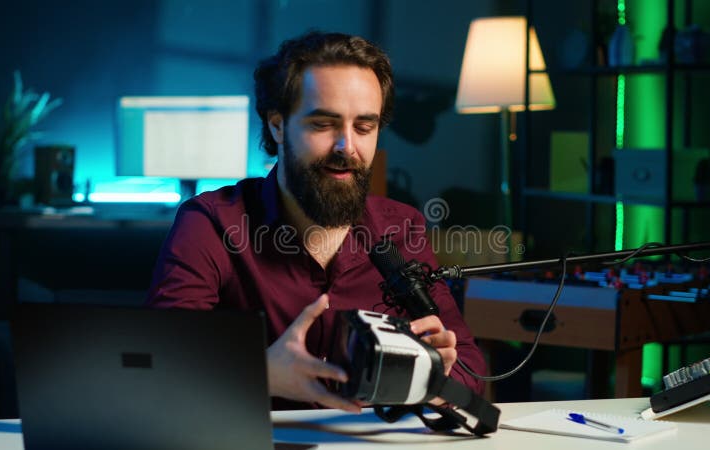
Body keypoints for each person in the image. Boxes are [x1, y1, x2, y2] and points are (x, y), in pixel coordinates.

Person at [146, 31, 485, 413]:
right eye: (323, 124)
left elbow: (471, 368)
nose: (347, 147)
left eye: (364, 127)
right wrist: (258, 372)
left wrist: (435, 378)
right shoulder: (210, 223)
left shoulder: (400, 229)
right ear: (277, 125)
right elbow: (159, 365)